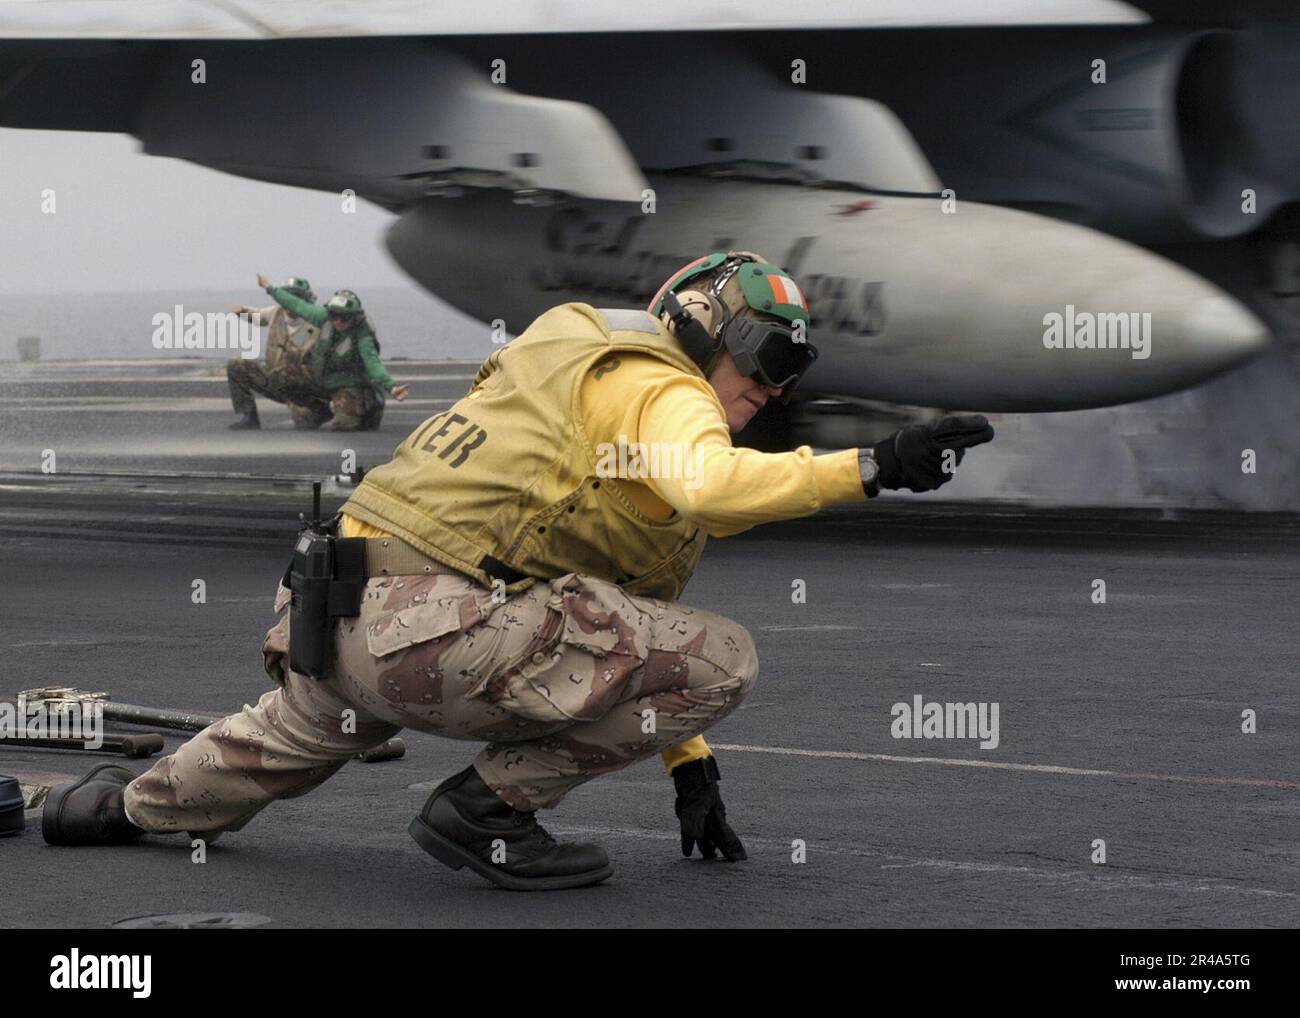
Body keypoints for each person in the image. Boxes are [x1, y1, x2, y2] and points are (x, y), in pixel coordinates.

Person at [42, 251, 994, 891]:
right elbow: (712, 489)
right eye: (762, 359)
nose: (772, 387)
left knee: (287, 737)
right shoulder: (661, 388)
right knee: (729, 657)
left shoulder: (567, 349)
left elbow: (632, 611)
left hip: (332, 615)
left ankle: (118, 809)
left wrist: (689, 766)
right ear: (702, 332)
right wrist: (875, 466)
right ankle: (486, 810)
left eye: (791, 374)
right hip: (435, 630)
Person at [256, 276, 409, 431]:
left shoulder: (363, 335)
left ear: (355, 317)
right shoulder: (323, 317)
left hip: (347, 384)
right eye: (334, 316)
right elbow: (296, 304)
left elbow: (373, 363)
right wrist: (270, 288)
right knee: (281, 376)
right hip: (321, 378)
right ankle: (319, 409)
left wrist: (391, 387)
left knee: (344, 426)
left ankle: (368, 406)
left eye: (344, 317)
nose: (338, 322)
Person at [226, 276, 333, 430]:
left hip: (304, 387)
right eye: (288, 295)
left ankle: (318, 408)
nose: (291, 300)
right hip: (276, 381)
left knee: (304, 424)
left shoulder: (316, 319)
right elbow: (257, 316)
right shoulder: (275, 313)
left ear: (305, 298)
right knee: (237, 365)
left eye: (297, 295)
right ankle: (248, 417)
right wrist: (240, 311)